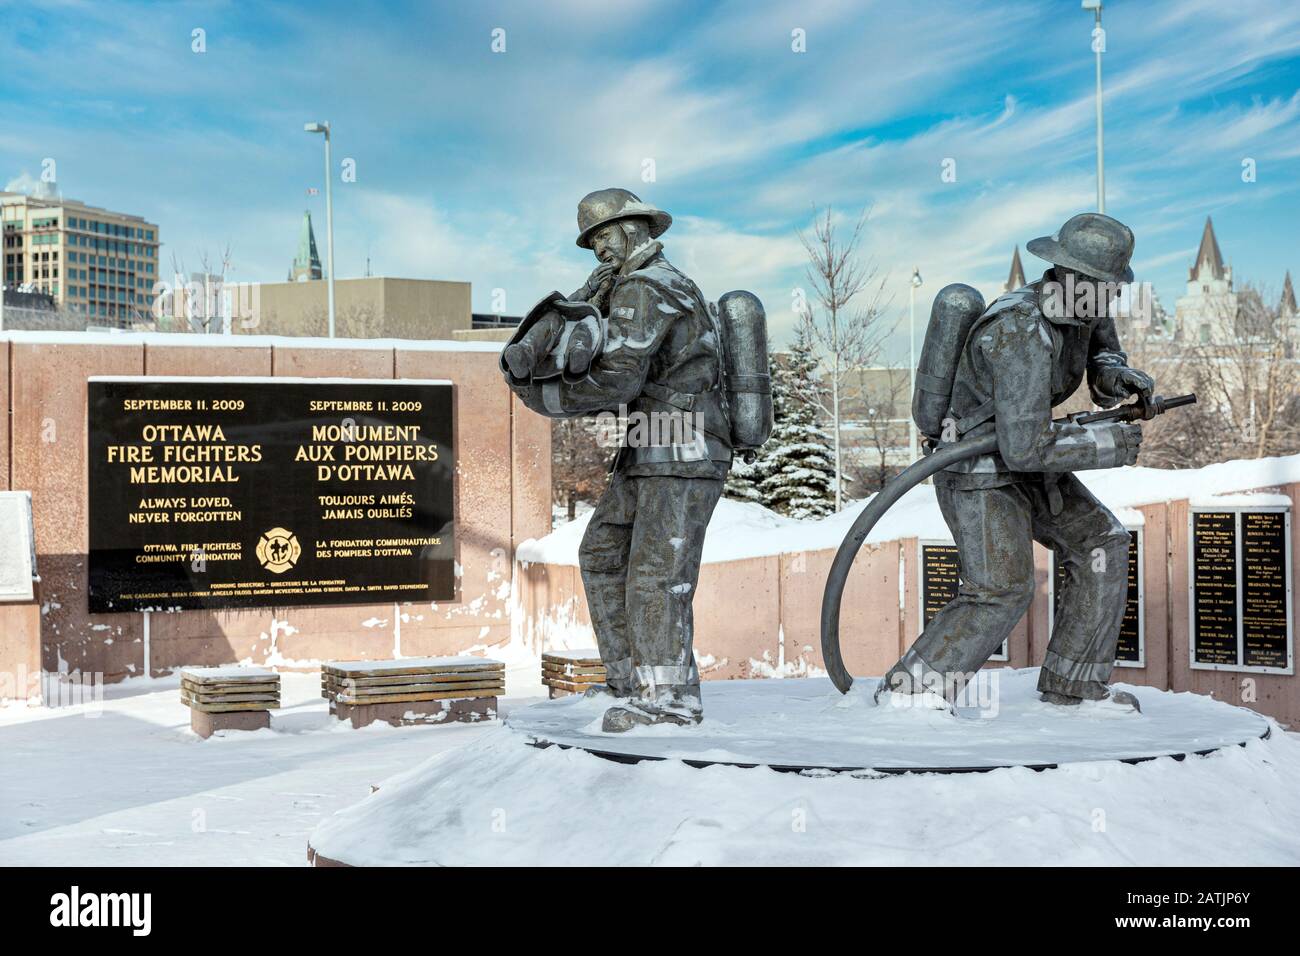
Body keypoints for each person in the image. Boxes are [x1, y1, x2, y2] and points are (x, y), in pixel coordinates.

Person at [879, 212, 1152, 711]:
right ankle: (909, 697)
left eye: (1115, 286)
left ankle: (1075, 685)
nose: (1113, 295)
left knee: (1101, 542)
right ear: (1072, 276)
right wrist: (1111, 446)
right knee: (1001, 588)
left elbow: (1100, 359)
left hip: (1027, 455)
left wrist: (1119, 379)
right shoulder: (1021, 330)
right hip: (978, 468)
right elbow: (1024, 446)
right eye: (1107, 284)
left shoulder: (1086, 311)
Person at [503, 188, 733, 732]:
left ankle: (670, 699)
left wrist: (540, 395)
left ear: (634, 230)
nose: (599, 250)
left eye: (603, 237)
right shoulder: (627, 285)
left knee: (657, 574)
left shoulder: (647, 287)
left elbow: (617, 376)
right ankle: (631, 683)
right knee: (603, 553)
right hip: (649, 446)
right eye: (593, 243)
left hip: (683, 448)